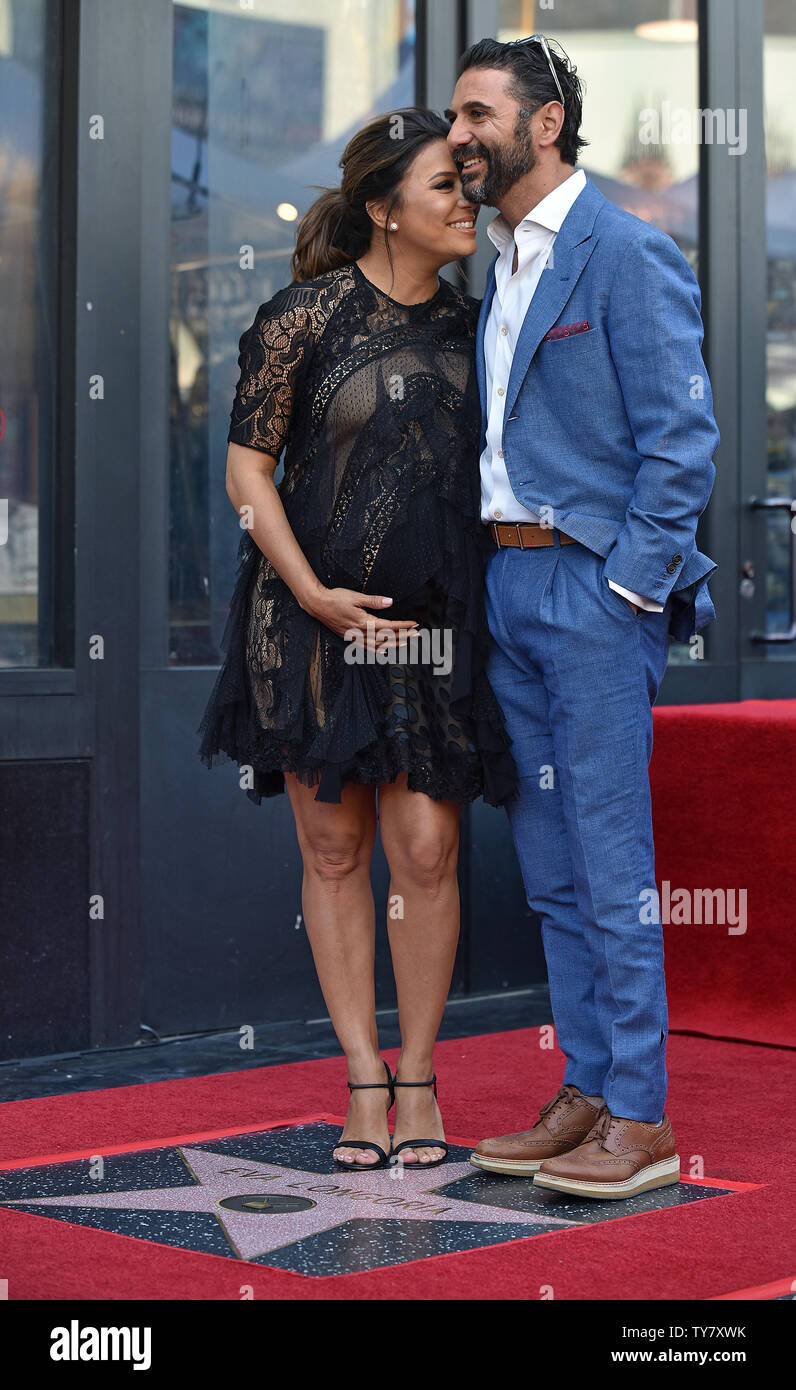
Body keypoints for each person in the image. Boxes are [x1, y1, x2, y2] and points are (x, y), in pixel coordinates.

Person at [197, 108, 518, 1171]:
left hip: (427, 635)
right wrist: (312, 593)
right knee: (335, 852)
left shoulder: (477, 326)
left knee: (425, 851)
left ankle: (418, 1075)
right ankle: (362, 1080)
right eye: (445, 185)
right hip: (312, 628)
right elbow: (248, 474)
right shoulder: (301, 317)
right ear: (385, 208)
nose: (467, 201)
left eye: (468, 182)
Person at [446, 35, 719, 1199]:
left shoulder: (625, 250)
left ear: (545, 121)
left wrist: (629, 586)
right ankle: (590, 1087)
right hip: (509, 589)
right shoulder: (501, 263)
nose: (458, 136)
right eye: (454, 116)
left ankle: (642, 1116)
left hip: (591, 590)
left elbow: (683, 439)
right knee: (551, 868)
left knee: (608, 860)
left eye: (477, 113)